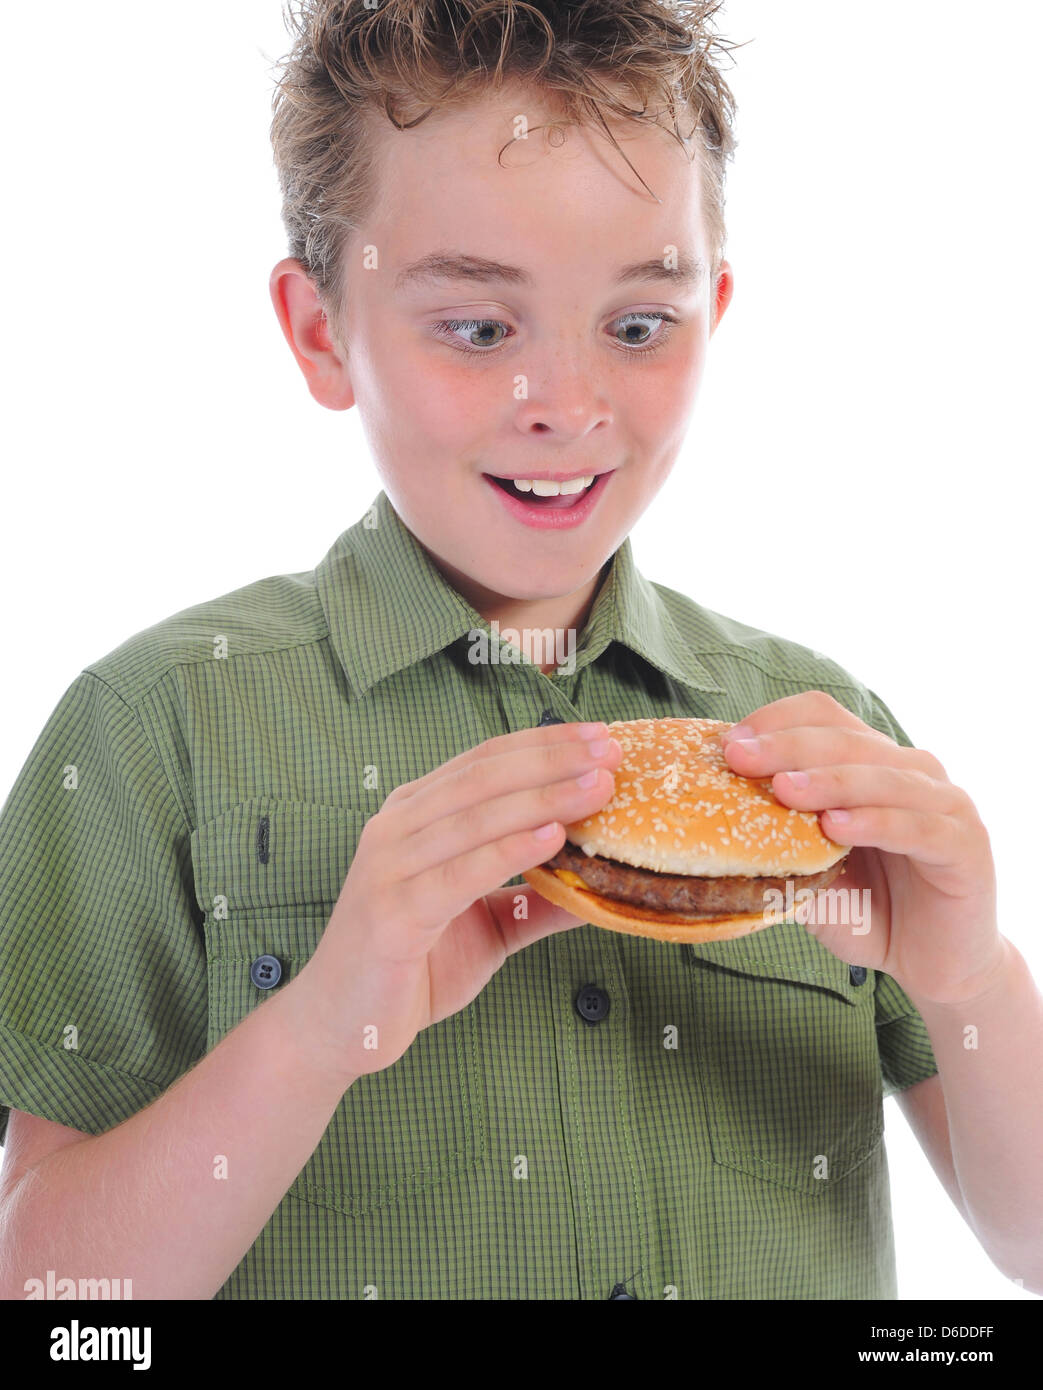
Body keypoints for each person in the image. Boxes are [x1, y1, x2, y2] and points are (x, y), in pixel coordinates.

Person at [1, 0, 1040, 1301]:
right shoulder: (150, 728)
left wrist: (974, 974)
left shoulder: (816, 738)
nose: (568, 404)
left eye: (639, 325)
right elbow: (52, 1302)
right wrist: (319, 1029)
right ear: (322, 329)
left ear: (712, 311)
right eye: (481, 328)